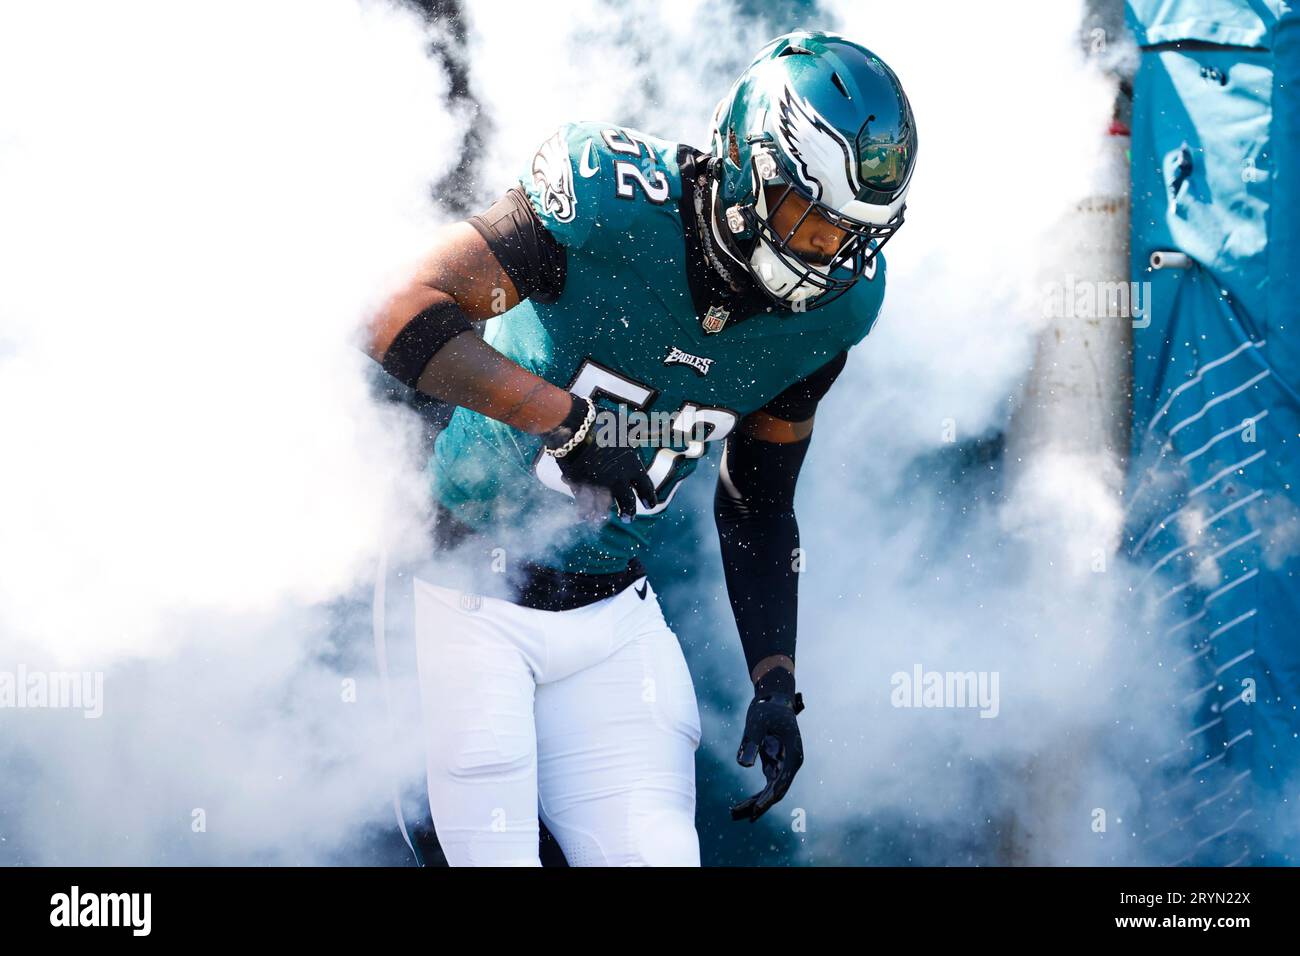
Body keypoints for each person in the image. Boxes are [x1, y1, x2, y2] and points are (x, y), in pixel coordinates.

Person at [364, 30, 916, 866]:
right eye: (811, 223)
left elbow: (759, 503)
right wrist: (567, 419)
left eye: (851, 236)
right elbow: (400, 314)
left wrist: (774, 677)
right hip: (462, 588)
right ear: (747, 167)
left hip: (611, 616)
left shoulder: (834, 311)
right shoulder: (611, 198)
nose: (827, 259)